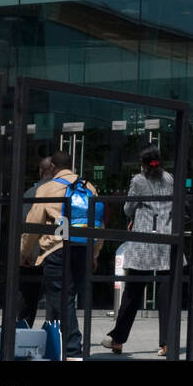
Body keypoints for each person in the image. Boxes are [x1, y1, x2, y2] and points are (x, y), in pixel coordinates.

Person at [20, 150, 102, 361]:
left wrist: (24, 253)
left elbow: (33, 224)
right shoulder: (89, 187)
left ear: (54, 168)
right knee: (69, 299)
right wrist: (94, 253)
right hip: (83, 248)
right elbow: (99, 222)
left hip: (58, 249)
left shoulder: (48, 188)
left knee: (62, 300)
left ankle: (73, 350)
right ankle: (62, 346)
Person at [101, 146, 176, 357]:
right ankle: (167, 343)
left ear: (143, 163)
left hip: (144, 240)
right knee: (166, 294)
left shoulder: (138, 180)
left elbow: (128, 208)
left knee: (132, 294)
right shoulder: (169, 178)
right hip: (165, 239)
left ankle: (117, 340)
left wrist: (134, 216)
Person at [17, 155, 55, 327]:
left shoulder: (30, 194)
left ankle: (23, 329)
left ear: (40, 171)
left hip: (34, 255)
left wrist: (24, 253)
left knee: (28, 298)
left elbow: (26, 227)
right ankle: (54, 334)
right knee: (55, 298)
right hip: (56, 253)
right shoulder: (64, 192)